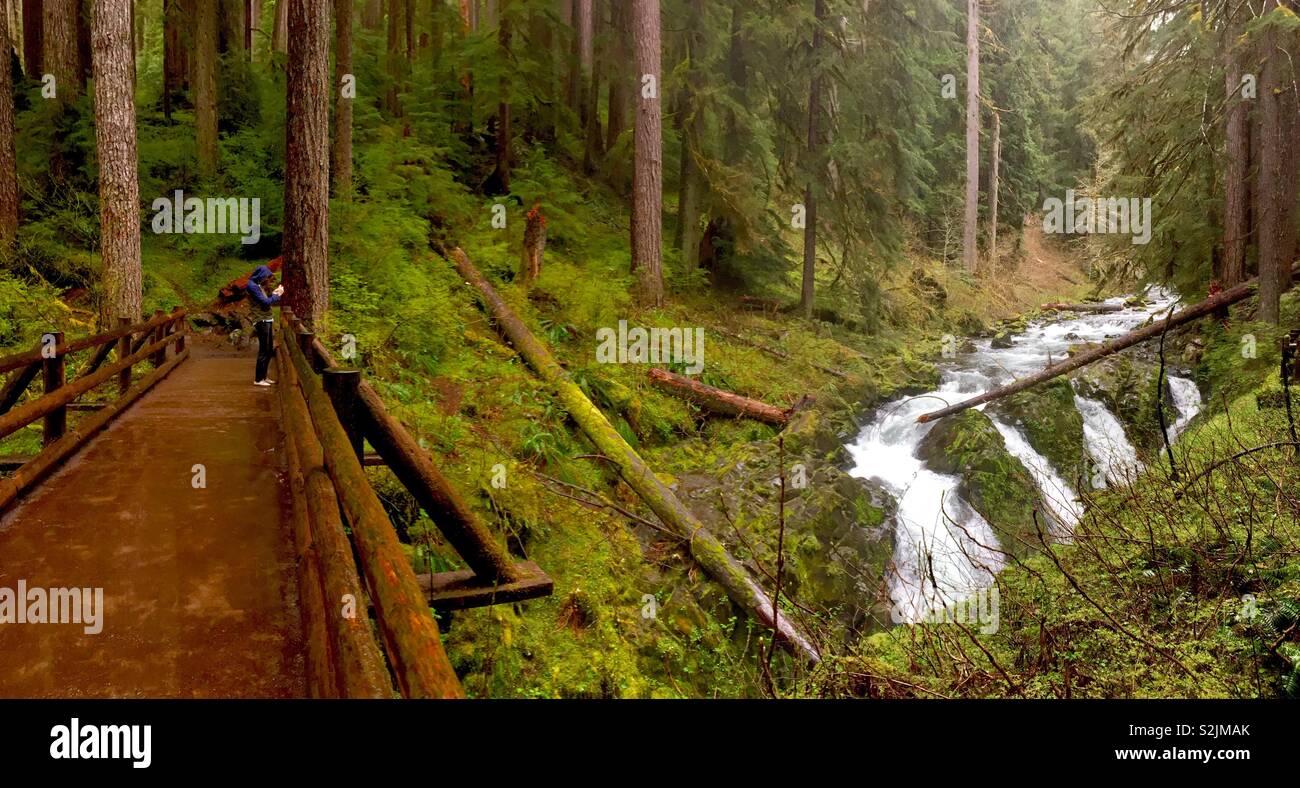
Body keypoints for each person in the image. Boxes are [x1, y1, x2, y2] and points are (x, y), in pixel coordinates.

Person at [245, 265, 285, 386]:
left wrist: (274, 294)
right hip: (261, 320)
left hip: (266, 319)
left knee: (268, 349)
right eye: (265, 276)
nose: (267, 279)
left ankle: (264, 376)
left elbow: (265, 300)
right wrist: (277, 295)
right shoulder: (252, 286)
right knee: (263, 349)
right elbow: (265, 302)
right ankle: (258, 379)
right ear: (260, 275)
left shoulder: (257, 286)